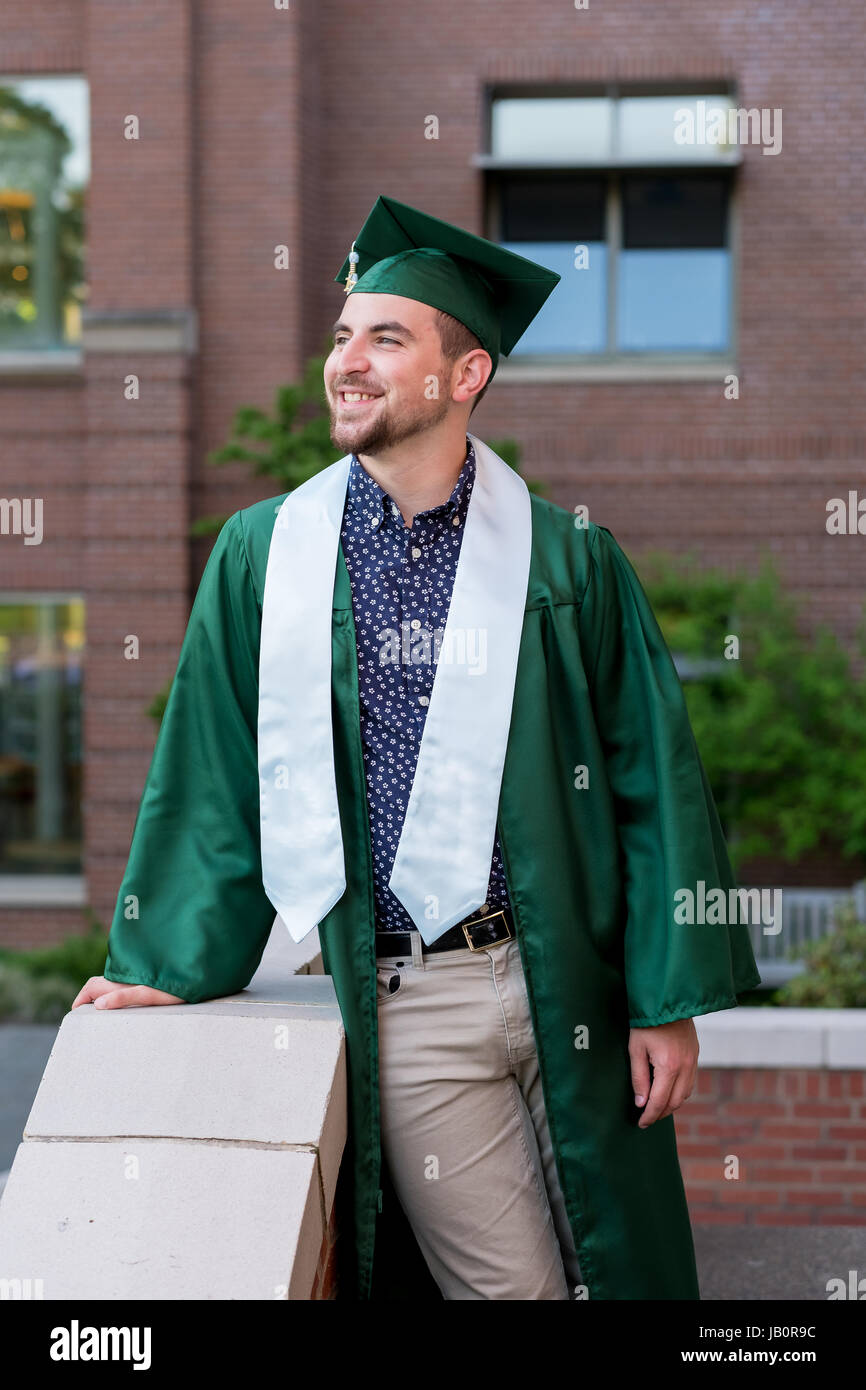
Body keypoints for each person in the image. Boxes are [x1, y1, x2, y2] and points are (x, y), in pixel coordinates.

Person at [73, 194, 760, 1301]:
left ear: (465, 373)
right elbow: (210, 773)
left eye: (385, 337)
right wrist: (164, 959)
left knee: (623, 1271)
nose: (347, 360)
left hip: (565, 973)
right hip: (412, 998)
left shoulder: (564, 559)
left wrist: (662, 998)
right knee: (515, 1291)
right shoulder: (266, 556)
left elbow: (650, 778)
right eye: (343, 334)